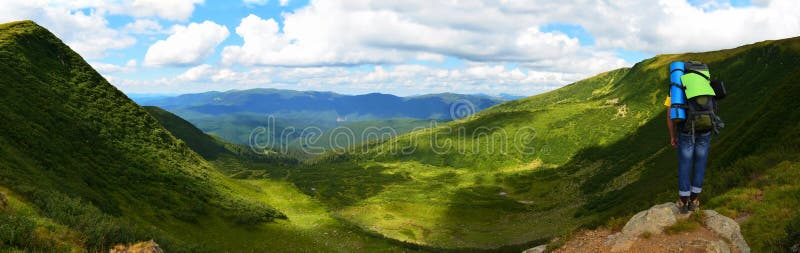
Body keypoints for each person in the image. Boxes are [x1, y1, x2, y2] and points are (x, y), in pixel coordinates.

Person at [665, 96, 712, 213]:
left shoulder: (677, 83)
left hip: (686, 131)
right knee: (700, 163)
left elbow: (670, 114)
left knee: (685, 164)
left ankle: (683, 202)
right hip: (705, 128)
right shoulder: (703, 78)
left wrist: (672, 136)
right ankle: (694, 200)